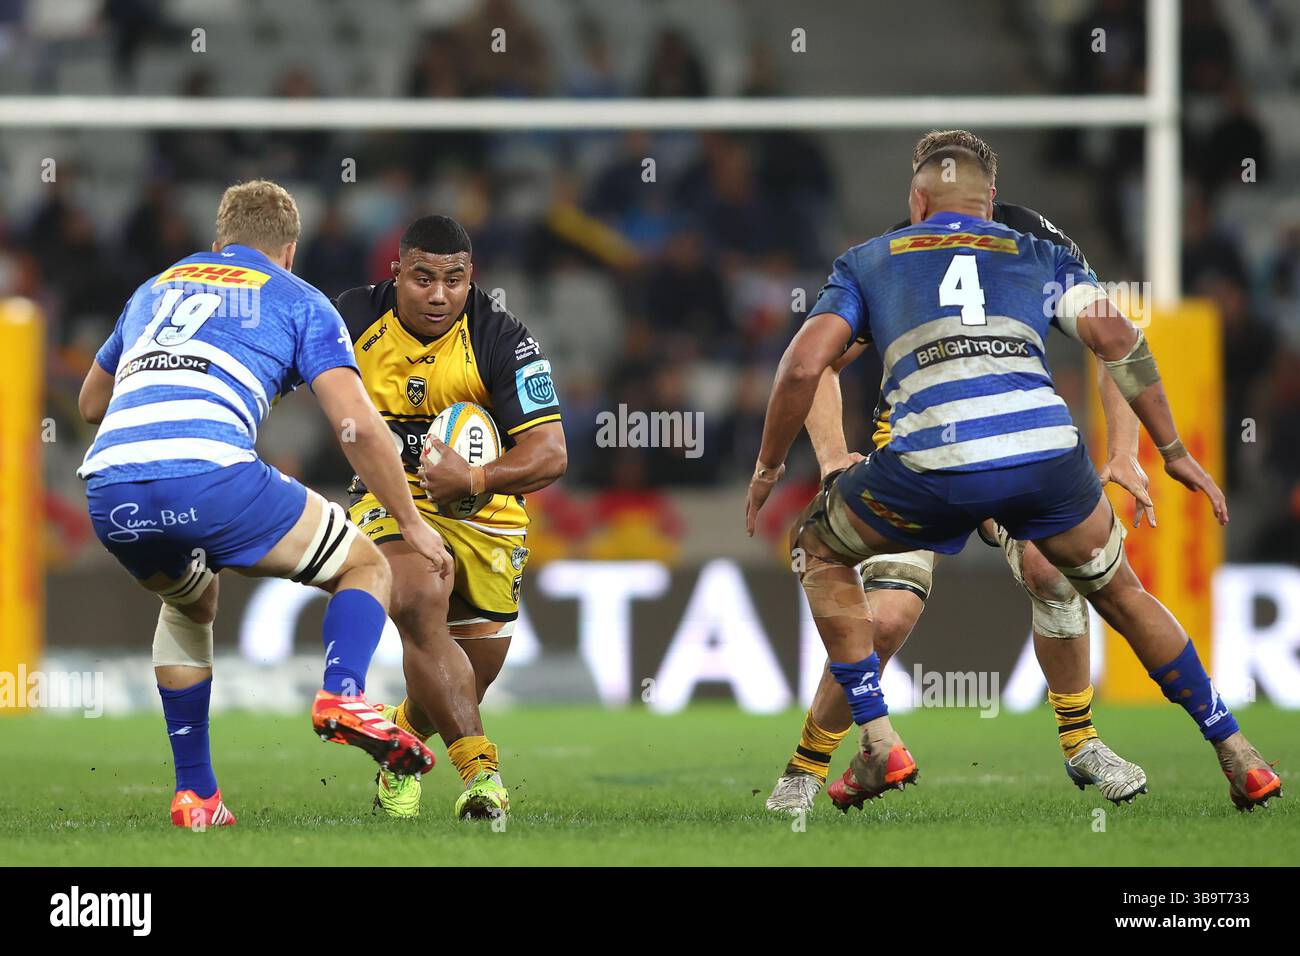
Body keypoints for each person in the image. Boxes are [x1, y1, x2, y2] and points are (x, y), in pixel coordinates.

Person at [746, 147, 1281, 813]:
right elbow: (1120, 338)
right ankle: (810, 764)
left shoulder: (993, 241)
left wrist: (1123, 450)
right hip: (1001, 447)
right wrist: (832, 454)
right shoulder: (996, 251)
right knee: (886, 619)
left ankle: (1080, 742)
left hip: (935, 467)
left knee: (1050, 574)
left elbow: (804, 362)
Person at [76, 180, 451, 828]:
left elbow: (88, 405)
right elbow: (356, 426)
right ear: (288, 250)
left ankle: (198, 795)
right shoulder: (297, 298)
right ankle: (344, 695)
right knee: (365, 566)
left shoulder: (154, 290)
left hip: (111, 490)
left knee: (191, 603)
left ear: (217, 243)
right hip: (212, 477)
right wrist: (412, 524)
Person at [334, 216, 566, 819]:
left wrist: (474, 478)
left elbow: (551, 453)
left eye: (454, 280)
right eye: (423, 278)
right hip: (391, 501)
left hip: (486, 512)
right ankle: (481, 777)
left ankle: (398, 741)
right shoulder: (352, 319)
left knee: (470, 672)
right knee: (417, 596)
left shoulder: (500, 337)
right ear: (397, 271)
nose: (439, 294)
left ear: (471, 279)